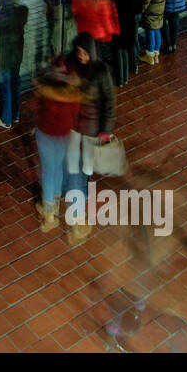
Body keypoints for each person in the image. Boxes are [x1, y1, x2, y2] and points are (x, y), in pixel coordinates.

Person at [64, 31, 115, 245]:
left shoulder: (101, 72)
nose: (82, 56)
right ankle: (78, 200)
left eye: (85, 53)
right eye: (79, 52)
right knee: (74, 165)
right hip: (74, 126)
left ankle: (80, 197)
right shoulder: (72, 64)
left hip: (92, 128)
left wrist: (106, 130)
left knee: (86, 167)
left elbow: (108, 102)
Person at [31, 58, 83, 233]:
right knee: (58, 168)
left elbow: (36, 107)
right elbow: (76, 112)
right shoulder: (71, 92)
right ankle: (56, 202)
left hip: (46, 133)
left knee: (48, 170)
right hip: (65, 133)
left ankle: (49, 214)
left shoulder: (47, 91)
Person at [0, 0, 29, 128]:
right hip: (17, 55)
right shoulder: (22, 12)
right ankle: (15, 114)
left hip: (4, 57)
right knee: (15, 83)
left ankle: (6, 119)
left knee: (5, 86)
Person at [105, 0, 142, 86]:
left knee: (117, 51)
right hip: (129, 21)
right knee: (126, 48)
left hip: (117, 23)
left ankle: (120, 79)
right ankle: (128, 74)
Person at [72, 0, 118, 65]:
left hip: (85, 31)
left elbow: (76, 12)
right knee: (97, 52)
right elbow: (106, 19)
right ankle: (97, 67)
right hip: (98, 33)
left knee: (88, 53)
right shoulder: (102, 0)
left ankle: (91, 66)